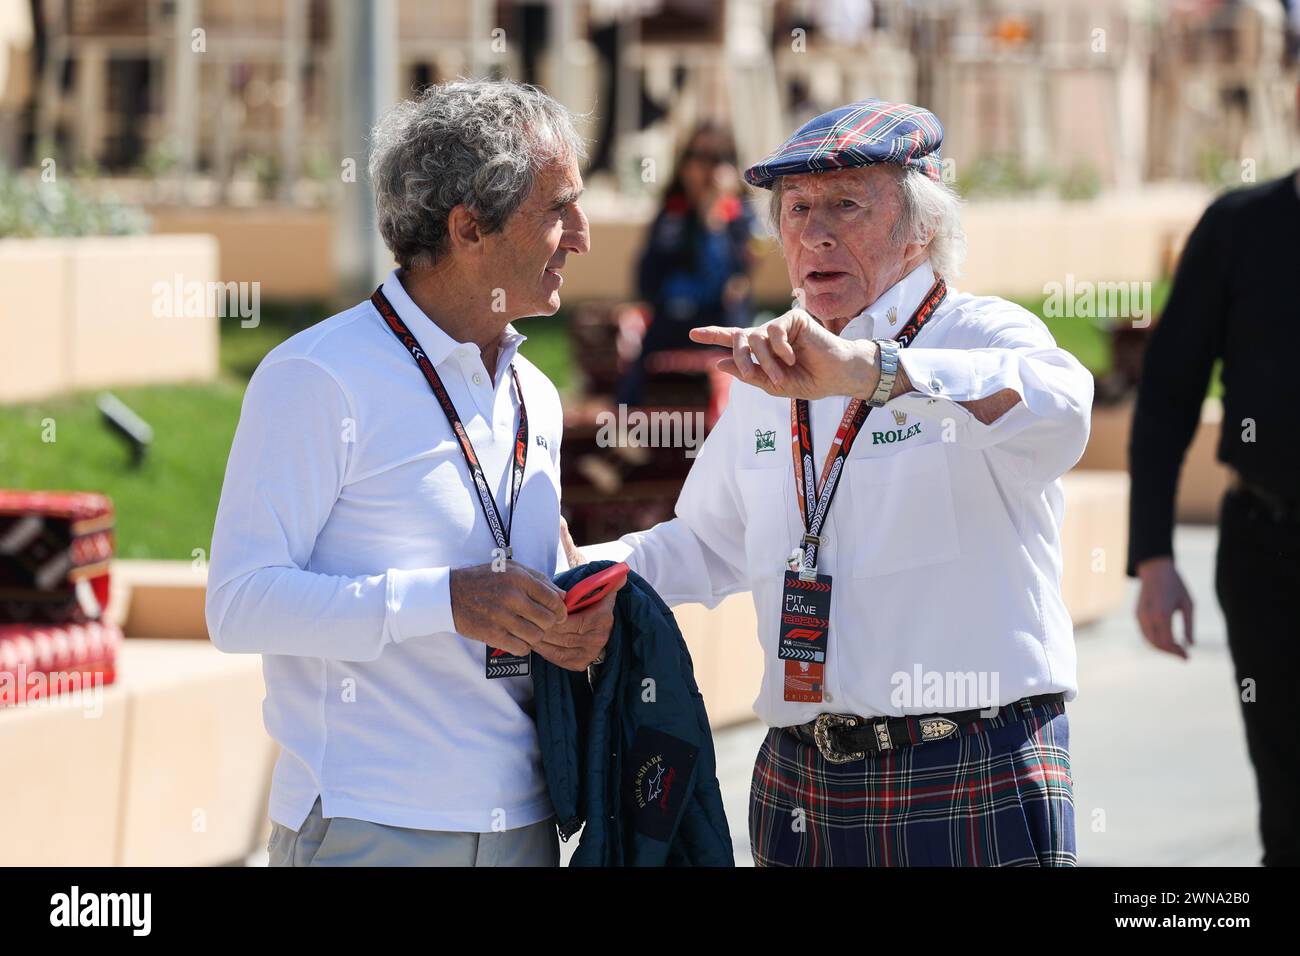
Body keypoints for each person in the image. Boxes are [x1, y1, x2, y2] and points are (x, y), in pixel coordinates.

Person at [573, 99, 1094, 866]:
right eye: (795, 208)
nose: (813, 231)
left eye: (846, 204)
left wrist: (876, 372)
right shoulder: (769, 368)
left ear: (922, 226)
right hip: (802, 782)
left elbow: (1063, 408)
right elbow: (708, 544)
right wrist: (579, 573)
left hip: (968, 763)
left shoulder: (982, 334)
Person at [205, 80, 613, 867]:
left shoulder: (534, 393)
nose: (583, 236)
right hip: (368, 827)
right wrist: (445, 602)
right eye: (558, 208)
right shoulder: (317, 377)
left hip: (527, 829)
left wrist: (575, 620)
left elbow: (516, 590)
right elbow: (238, 604)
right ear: (469, 229)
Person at [1129, 167, 1300, 867]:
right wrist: (1154, 558)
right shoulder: (1239, 225)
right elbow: (1169, 391)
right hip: (1272, 552)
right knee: (1291, 808)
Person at [616, 122, 757, 406]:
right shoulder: (671, 214)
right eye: (699, 157)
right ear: (684, 165)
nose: (708, 169)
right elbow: (646, 282)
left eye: (718, 158)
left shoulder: (740, 217)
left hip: (721, 330)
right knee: (634, 389)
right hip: (670, 329)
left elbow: (731, 282)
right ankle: (627, 438)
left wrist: (712, 221)